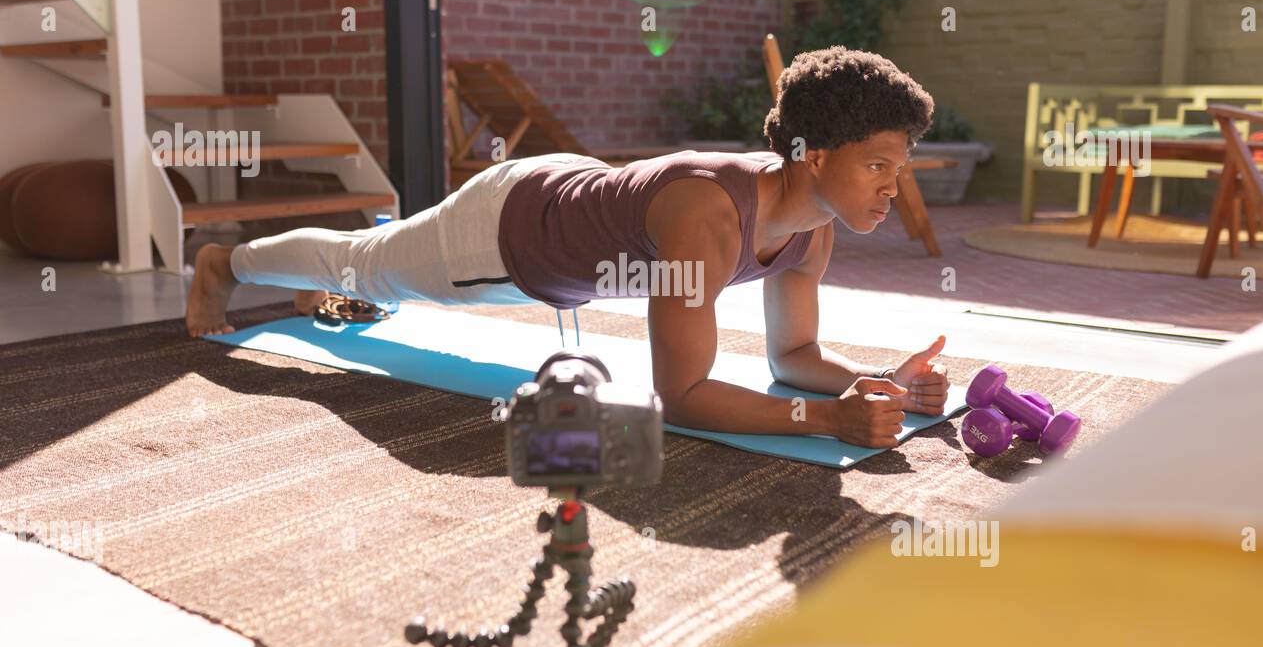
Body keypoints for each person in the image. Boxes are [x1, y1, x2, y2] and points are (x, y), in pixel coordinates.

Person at [186, 45, 950, 448]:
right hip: (505, 236)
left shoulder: (811, 227)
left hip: (564, 188)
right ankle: (226, 262)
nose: (891, 187)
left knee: (365, 266)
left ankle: (313, 287)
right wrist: (827, 422)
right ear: (815, 156)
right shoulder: (708, 220)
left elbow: (794, 359)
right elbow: (679, 400)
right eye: (878, 166)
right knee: (363, 266)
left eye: (898, 169)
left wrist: (883, 383)